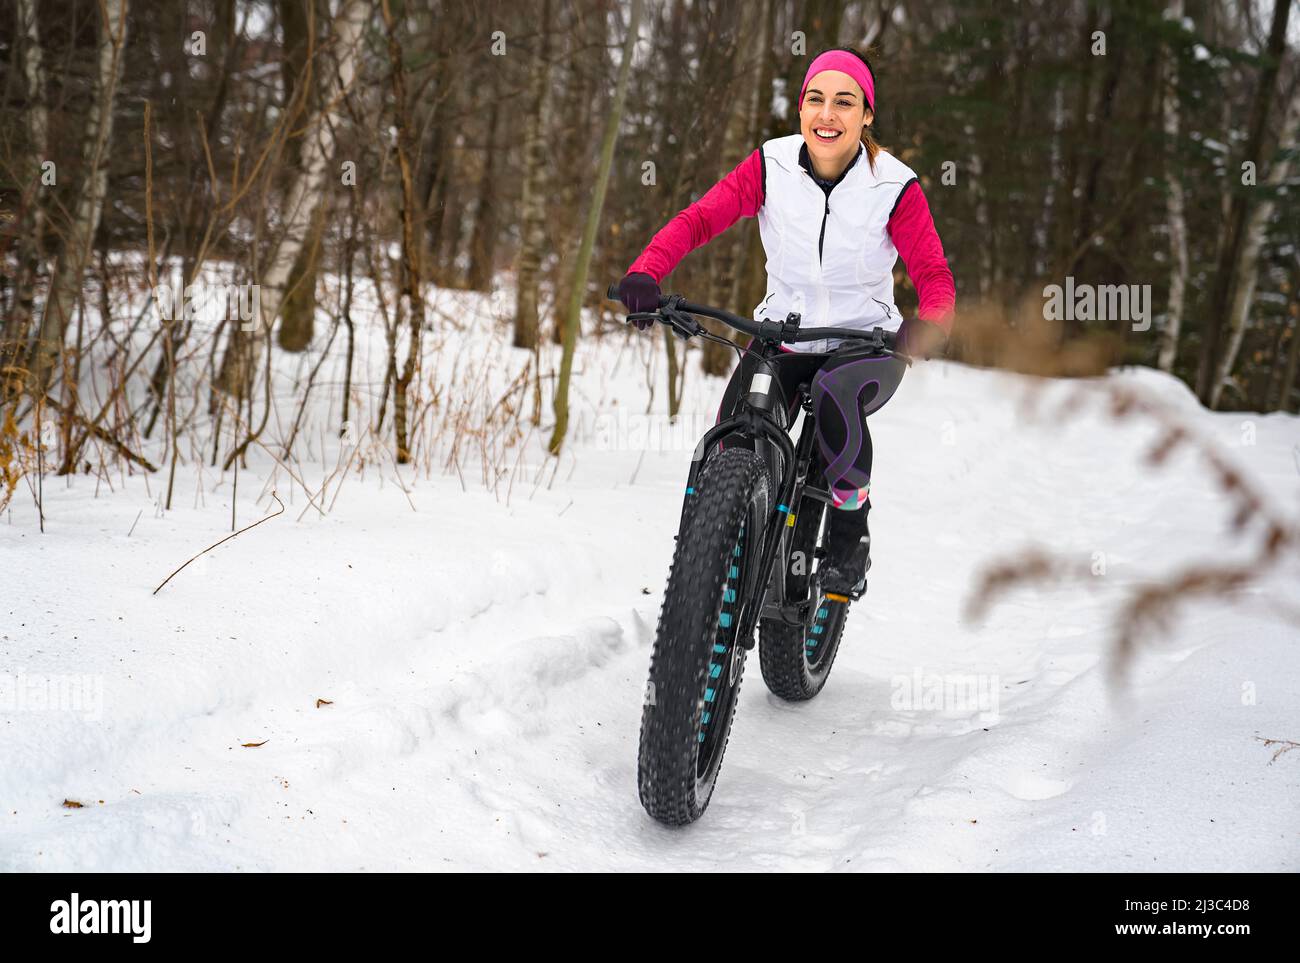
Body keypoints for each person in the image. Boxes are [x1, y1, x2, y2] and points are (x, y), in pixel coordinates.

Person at [616, 46, 955, 600]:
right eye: (815, 100)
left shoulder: (894, 186)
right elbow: (701, 219)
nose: (828, 114)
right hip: (783, 334)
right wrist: (645, 272)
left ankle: (849, 534)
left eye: (845, 102)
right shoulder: (769, 166)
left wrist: (932, 324)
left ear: (867, 115)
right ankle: (707, 559)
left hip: (865, 343)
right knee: (733, 431)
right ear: (800, 109)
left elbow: (933, 273)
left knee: (833, 392)